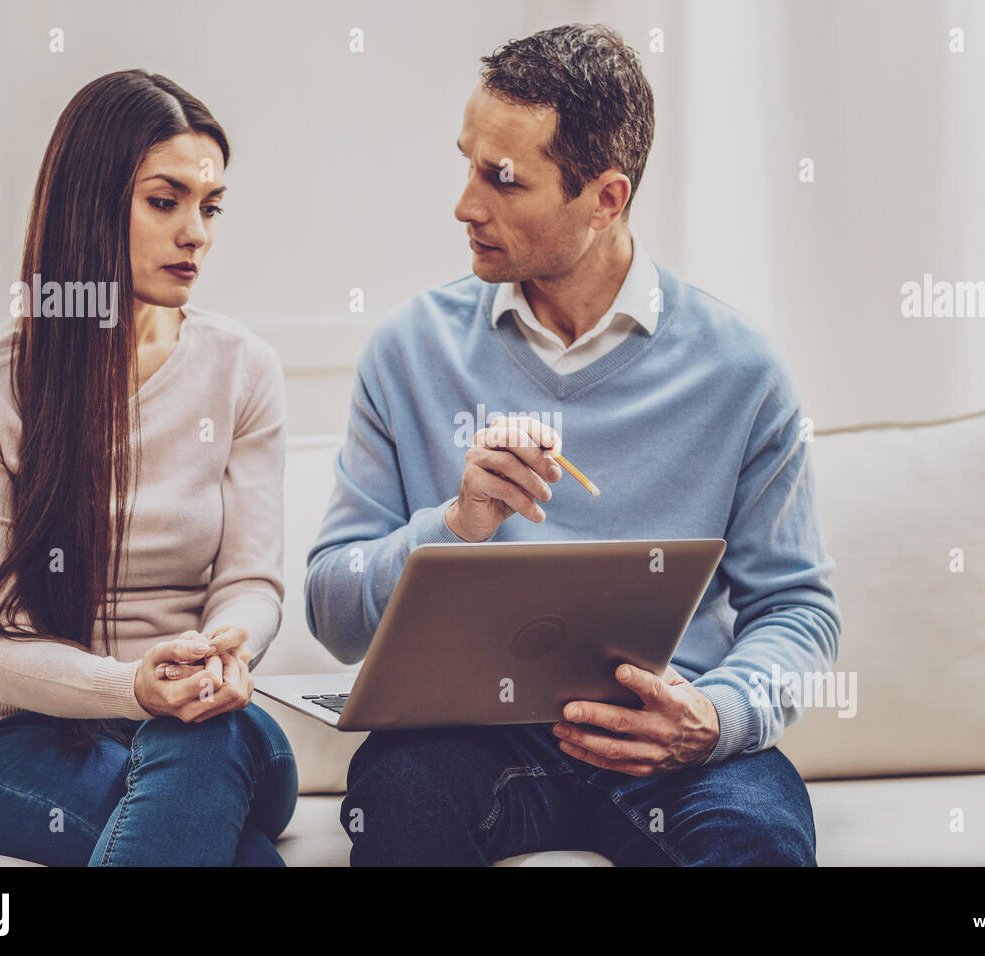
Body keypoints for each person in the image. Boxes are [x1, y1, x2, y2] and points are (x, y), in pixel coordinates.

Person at [305, 24, 842, 866]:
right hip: (473, 743)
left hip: (669, 744)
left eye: (503, 179)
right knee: (400, 808)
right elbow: (332, 613)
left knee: (759, 840)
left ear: (605, 198)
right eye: (468, 163)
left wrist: (715, 718)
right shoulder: (409, 350)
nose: (465, 205)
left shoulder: (741, 370)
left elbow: (798, 609)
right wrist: (453, 523)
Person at [0, 69, 296, 866]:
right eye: (165, 202)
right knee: (240, 853)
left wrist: (230, 648)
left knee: (206, 739)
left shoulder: (244, 369)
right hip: (18, 741)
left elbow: (254, 582)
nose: (196, 232)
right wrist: (132, 686)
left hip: (209, 726)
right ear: (89, 204)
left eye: (210, 206)